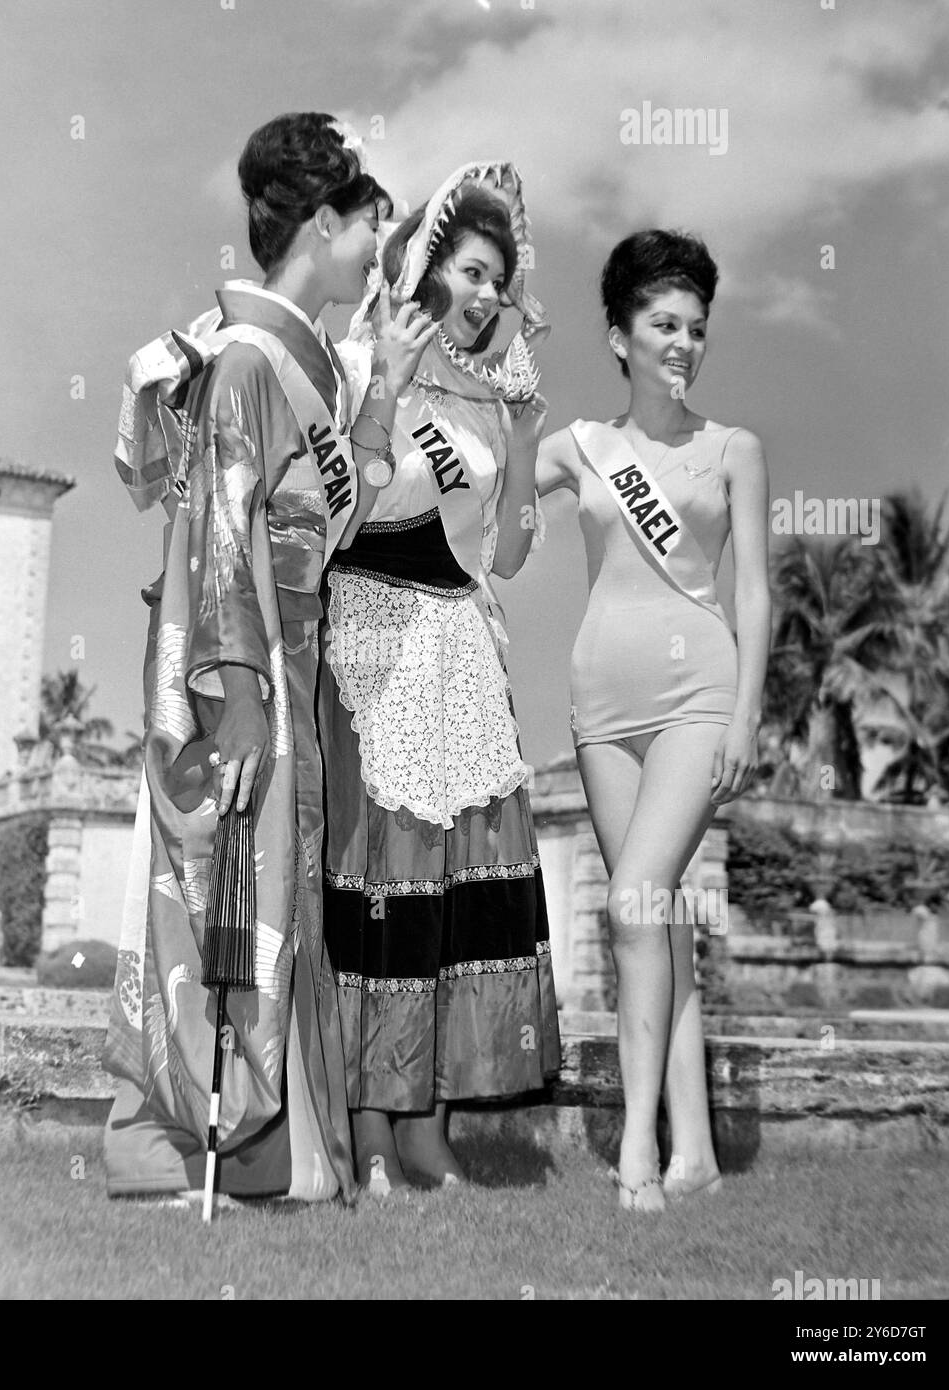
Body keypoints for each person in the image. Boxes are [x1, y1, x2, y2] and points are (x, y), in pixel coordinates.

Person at [102, 112, 435, 1205]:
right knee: (223, 895)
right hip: (235, 668)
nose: (375, 259)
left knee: (274, 893)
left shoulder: (309, 370)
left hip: (293, 656)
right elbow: (215, 532)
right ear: (324, 223)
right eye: (368, 233)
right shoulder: (245, 359)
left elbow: (337, 517)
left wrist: (382, 383)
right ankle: (185, 1151)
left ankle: (273, 1153)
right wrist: (237, 697)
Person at [321, 163, 561, 1195]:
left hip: (459, 641)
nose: (485, 296)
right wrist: (379, 392)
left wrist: (524, 430)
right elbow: (341, 508)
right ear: (426, 263)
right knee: (388, 881)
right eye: (472, 270)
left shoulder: (488, 400)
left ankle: (427, 1128)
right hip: (374, 634)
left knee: (457, 889)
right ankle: (370, 1129)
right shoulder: (356, 357)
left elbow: (505, 555)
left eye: (499, 284)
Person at [536, 229, 771, 1212]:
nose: (682, 343)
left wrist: (748, 709)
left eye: (695, 328)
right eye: (662, 324)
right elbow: (489, 502)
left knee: (635, 900)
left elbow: (753, 591)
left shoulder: (732, 450)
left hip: (696, 697)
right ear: (620, 336)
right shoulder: (579, 446)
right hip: (601, 700)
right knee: (657, 917)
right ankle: (701, 1153)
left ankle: (637, 1146)